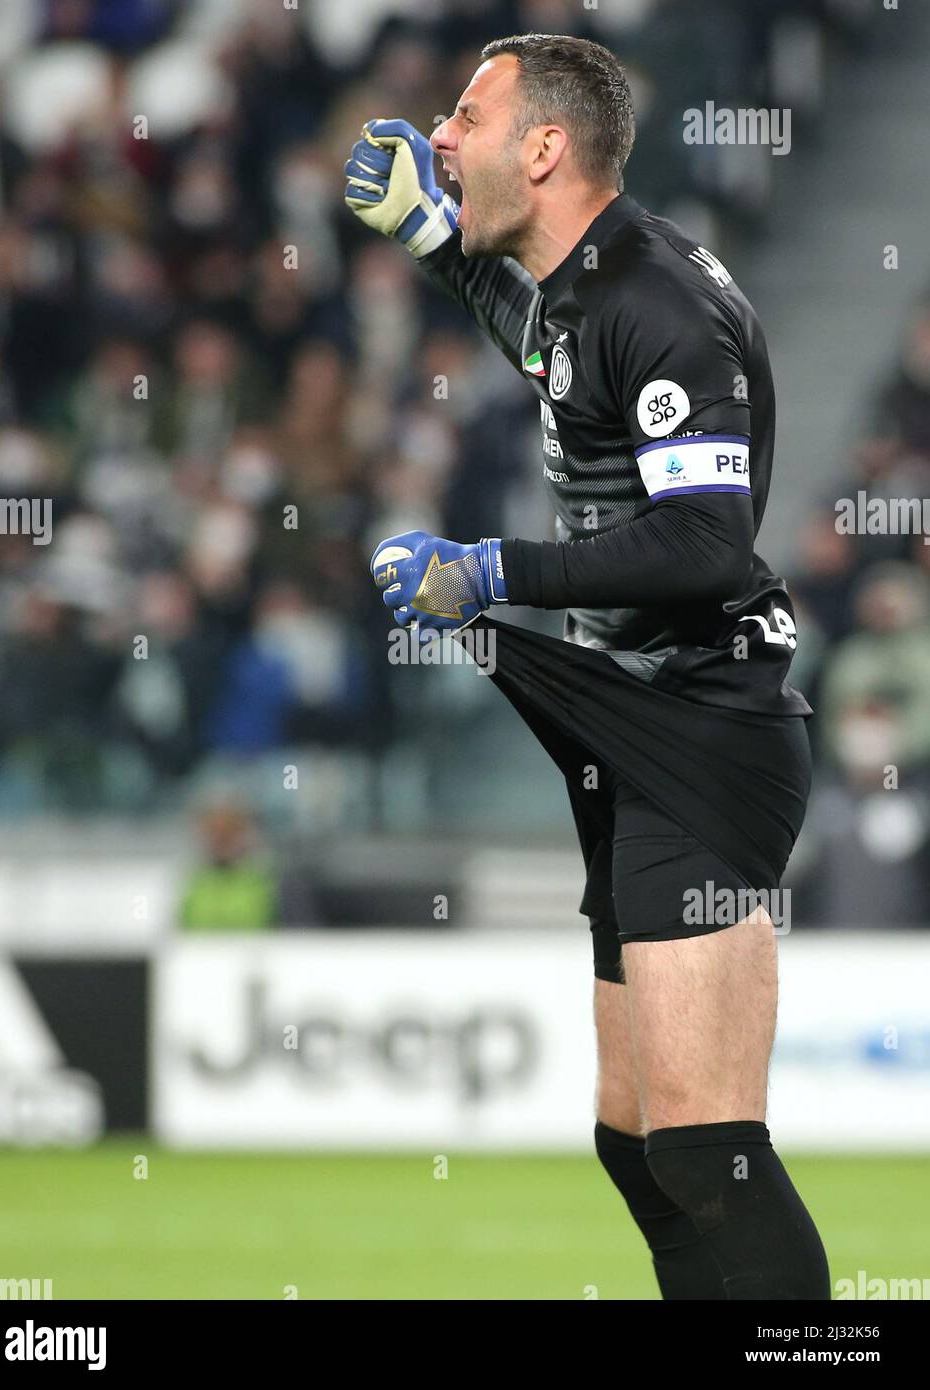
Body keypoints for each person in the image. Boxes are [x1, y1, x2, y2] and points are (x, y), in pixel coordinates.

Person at [345, 33, 828, 1300]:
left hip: (706, 726)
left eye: (466, 116)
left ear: (545, 148)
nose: (439, 136)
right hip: (642, 724)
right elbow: (553, 353)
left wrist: (490, 570)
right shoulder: (587, 288)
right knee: (635, 1146)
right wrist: (431, 241)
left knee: (706, 1149)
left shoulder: (658, 300)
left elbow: (705, 543)